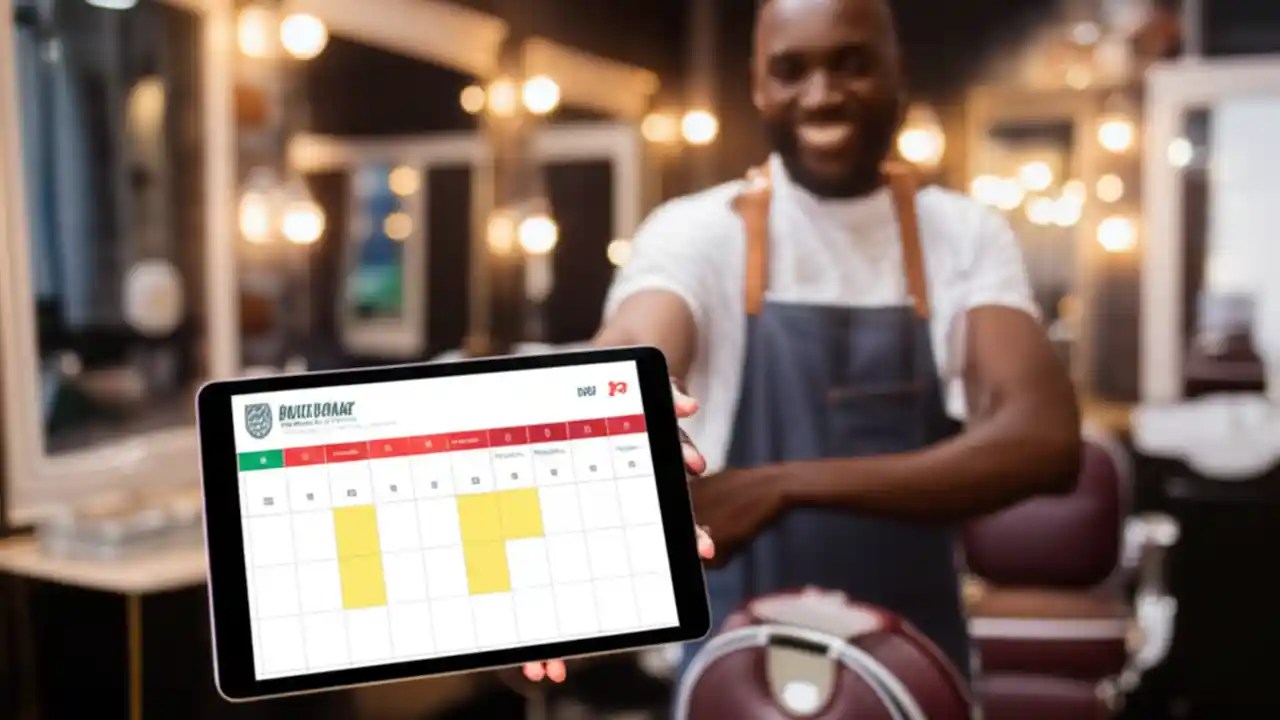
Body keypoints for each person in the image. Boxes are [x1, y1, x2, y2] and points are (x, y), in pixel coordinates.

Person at [523, 0, 1080, 684]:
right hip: (735, 676)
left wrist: (782, 486)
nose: (822, 95)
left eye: (851, 64)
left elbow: (1045, 440)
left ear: (898, 73)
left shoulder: (964, 237)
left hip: (913, 676)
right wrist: (609, 412)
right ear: (758, 85)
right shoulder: (695, 231)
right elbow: (638, 338)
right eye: (791, 71)